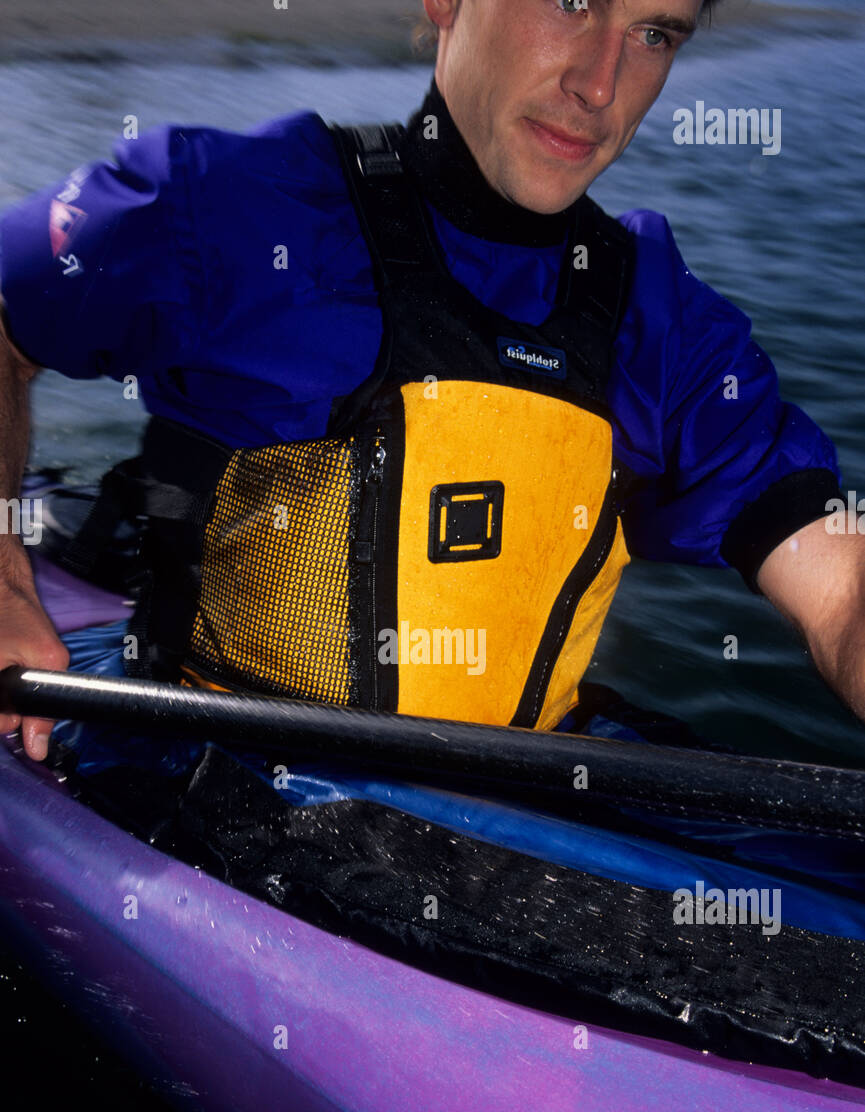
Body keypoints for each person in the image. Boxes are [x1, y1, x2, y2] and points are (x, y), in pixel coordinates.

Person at [0, 0, 862, 763]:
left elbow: (837, 588)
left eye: (652, 32)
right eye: (571, 2)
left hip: (512, 813)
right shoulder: (235, 208)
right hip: (204, 776)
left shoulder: (658, 320)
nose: (601, 85)